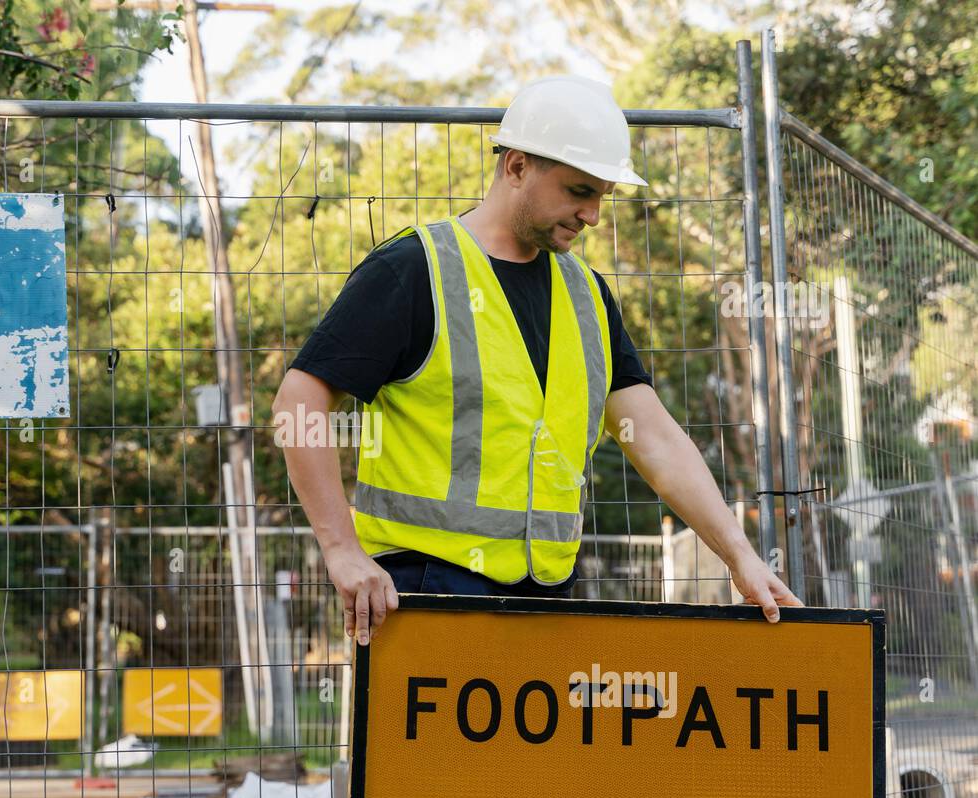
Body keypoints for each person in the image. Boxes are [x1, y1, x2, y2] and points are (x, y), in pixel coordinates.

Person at [273, 76, 802, 644]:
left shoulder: (588, 296)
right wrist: (340, 550)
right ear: (518, 166)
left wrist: (739, 556)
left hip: (547, 598)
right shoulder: (412, 269)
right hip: (423, 592)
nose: (593, 215)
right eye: (579, 191)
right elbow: (298, 402)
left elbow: (654, 438)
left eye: (602, 195)